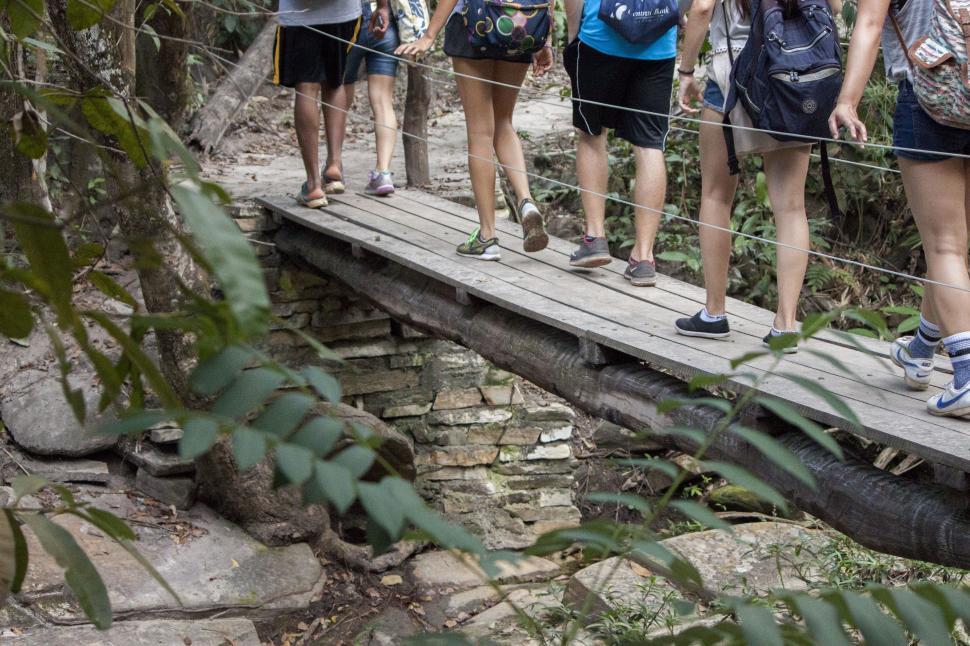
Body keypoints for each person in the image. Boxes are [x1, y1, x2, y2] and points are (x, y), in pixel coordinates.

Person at [829, 0, 970, 417]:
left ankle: (966, 376)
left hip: (930, 98)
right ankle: (921, 349)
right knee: (955, 250)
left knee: (944, 247)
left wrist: (848, 100)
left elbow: (870, 24)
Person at [673, 0, 839, 351]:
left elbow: (701, 8)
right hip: (794, 76)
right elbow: (835, 8)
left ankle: (714, 313)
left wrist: (686, 71)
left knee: (716, 196)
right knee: (791, 207)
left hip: (734, 75)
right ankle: (785, 325)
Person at [395, 0, 553, 260]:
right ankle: (526, 201)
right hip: (521, 24)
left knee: (480, 132)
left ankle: (487, 236)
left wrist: (429, 35)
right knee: (503, 122)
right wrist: (544, 40)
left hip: (473, 24)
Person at [562, 0, 677, 287]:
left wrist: (573, 34)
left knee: (591, 135)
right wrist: (674, 16)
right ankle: (644, 258)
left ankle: (594, 237)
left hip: (599, 37)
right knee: (650, 145)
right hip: (658, 40)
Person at [275, 0, 389, 207]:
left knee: (306, 87)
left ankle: (313, 185)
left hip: (298, 13)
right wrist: (382, 6)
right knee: (336, 83)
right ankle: (334, 165)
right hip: (343, 14)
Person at [344, 0, 429, 196]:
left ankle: (334, 169)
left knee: (339, 92)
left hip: (349, 20)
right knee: (383, 102)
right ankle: (383, 172)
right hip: (384, 21)